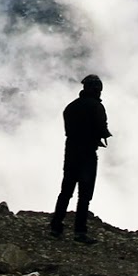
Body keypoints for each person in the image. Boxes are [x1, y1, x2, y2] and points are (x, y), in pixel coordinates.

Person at [51, 74, 112, 243]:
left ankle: (56, 226)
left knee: (66, 191)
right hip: (87, 153)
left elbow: (69, 130)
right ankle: (80, 232)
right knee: (84, 195)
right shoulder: (97, 107)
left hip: (71, 151)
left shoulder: (70, 107)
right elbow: (102, 128)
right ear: (96, 89)